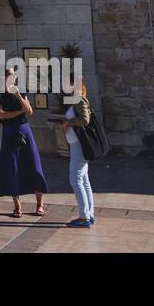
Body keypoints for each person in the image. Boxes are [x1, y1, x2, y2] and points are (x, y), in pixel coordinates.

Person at [0, 65, 48, 218]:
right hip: (9, 132)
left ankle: (40, 204)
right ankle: (17, 206)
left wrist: (18, 96)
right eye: (8, 75)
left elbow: (30, 111)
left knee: (34, 165)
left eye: (13, 75)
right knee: (12, 168)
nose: (11, 78)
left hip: (24, 130)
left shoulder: (20, 91)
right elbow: (2, 116)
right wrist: (19, 111)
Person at [61, 80, 96, 228]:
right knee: (84, 179)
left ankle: (83, 217)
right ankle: (89, 214)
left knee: (75, 179)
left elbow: (85, 120)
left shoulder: (80, 99)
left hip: (79, 145)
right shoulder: (75, 100)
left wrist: (69, 123)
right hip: (77, 144)